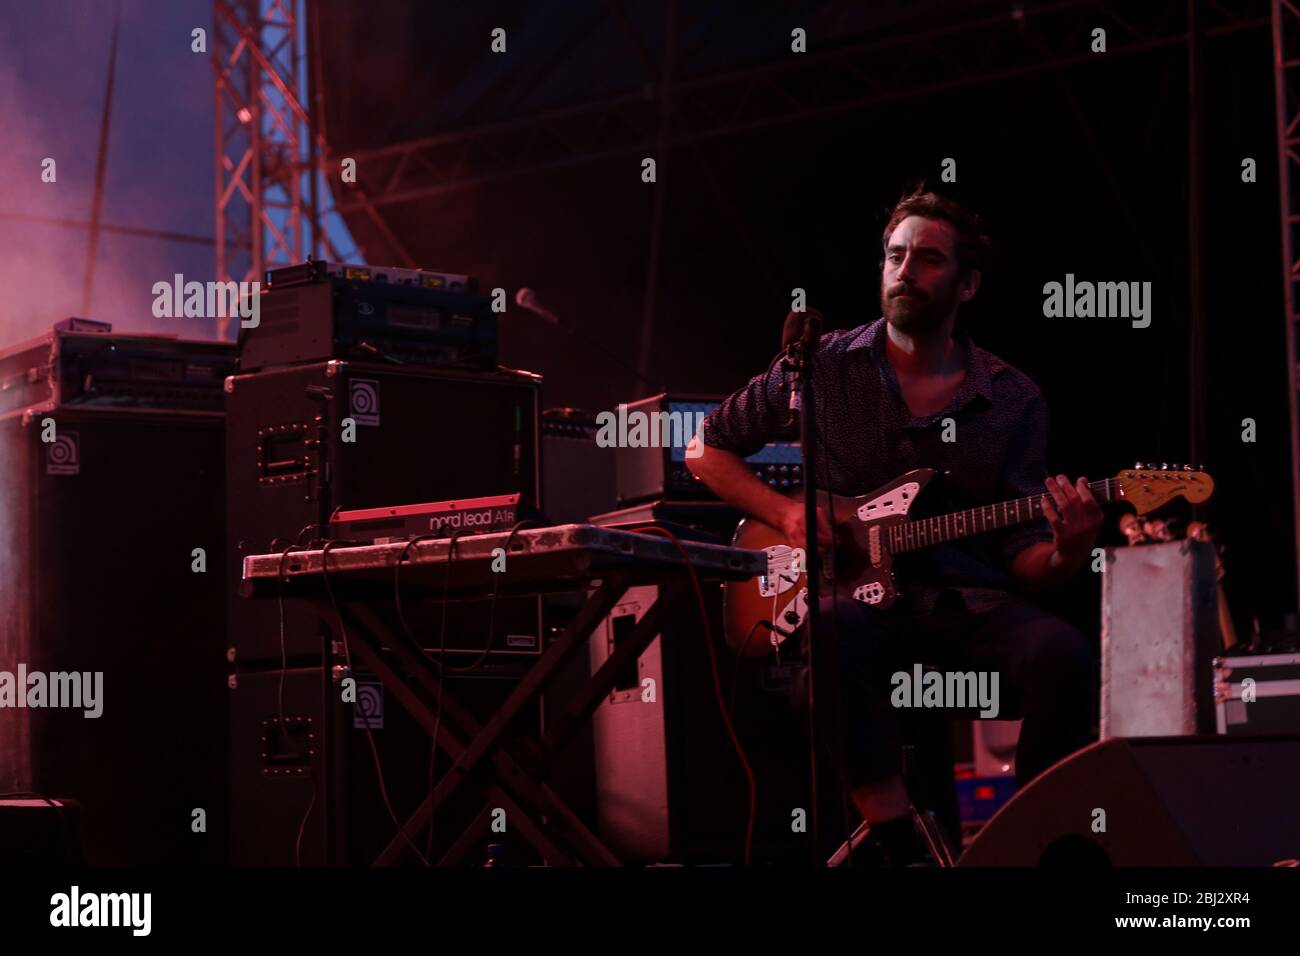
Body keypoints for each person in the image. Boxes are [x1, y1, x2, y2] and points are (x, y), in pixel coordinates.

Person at [686, 186, 1103, 864]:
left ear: (967, 284)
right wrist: (787, 512)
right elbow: (706, 449)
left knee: (1065, 655)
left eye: (928, 260)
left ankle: (1036, 841)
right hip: (854, 603)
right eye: (895, 256)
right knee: (827, 631)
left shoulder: (1014, 398)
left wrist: (1068, 550)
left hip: (966, 602)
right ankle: (893, 836)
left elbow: (1027, 552)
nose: (905, 271)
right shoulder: (820, 366)